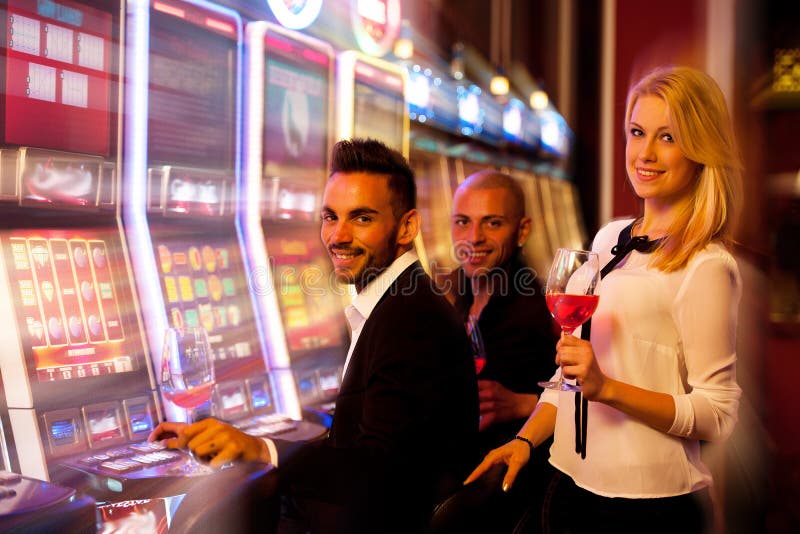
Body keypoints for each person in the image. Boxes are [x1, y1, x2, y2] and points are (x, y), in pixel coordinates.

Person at [465, 65, 743, 533]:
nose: (645, 153)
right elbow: (571, 373)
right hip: (569, 484)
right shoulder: (610, 238)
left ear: (699, 148)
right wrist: (526, 441)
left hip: (646, 506)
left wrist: (607, 388)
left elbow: (717, 415)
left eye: (668, 137)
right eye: (637, 132)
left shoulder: (707, 264)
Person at [151, 138, 479, 533]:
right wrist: (247, 443)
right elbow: (362, 450)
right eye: (330, 216)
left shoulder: (410, 320)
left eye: (361, 218)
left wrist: (259, 449)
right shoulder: (400, 301)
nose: (337, 236)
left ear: (406, 226)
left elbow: (376, 473)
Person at [439, 171, 558, 531]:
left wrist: (525, 403)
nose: (473, 237)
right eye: (463, 222)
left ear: (521, 231)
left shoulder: (537, 308)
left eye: (492, 223)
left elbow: (588, 398)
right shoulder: (454, 288)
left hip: (509, 478)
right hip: (454, 455)